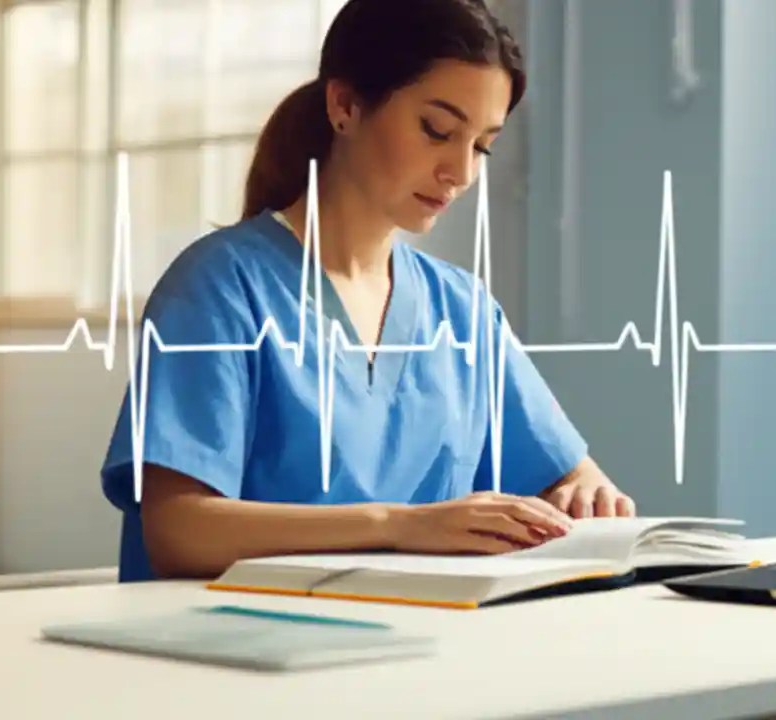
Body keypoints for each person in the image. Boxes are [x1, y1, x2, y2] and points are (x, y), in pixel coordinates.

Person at [99, 0, 636, 583]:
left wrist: (587, 492)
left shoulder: (462, 310)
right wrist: (399, 525)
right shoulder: (219, 288)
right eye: (437, 130)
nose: (461, 171)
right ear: (345, 105)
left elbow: (566, 472)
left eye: (482, 145)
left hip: (417, 648)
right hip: (235, 654)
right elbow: (180, 529)